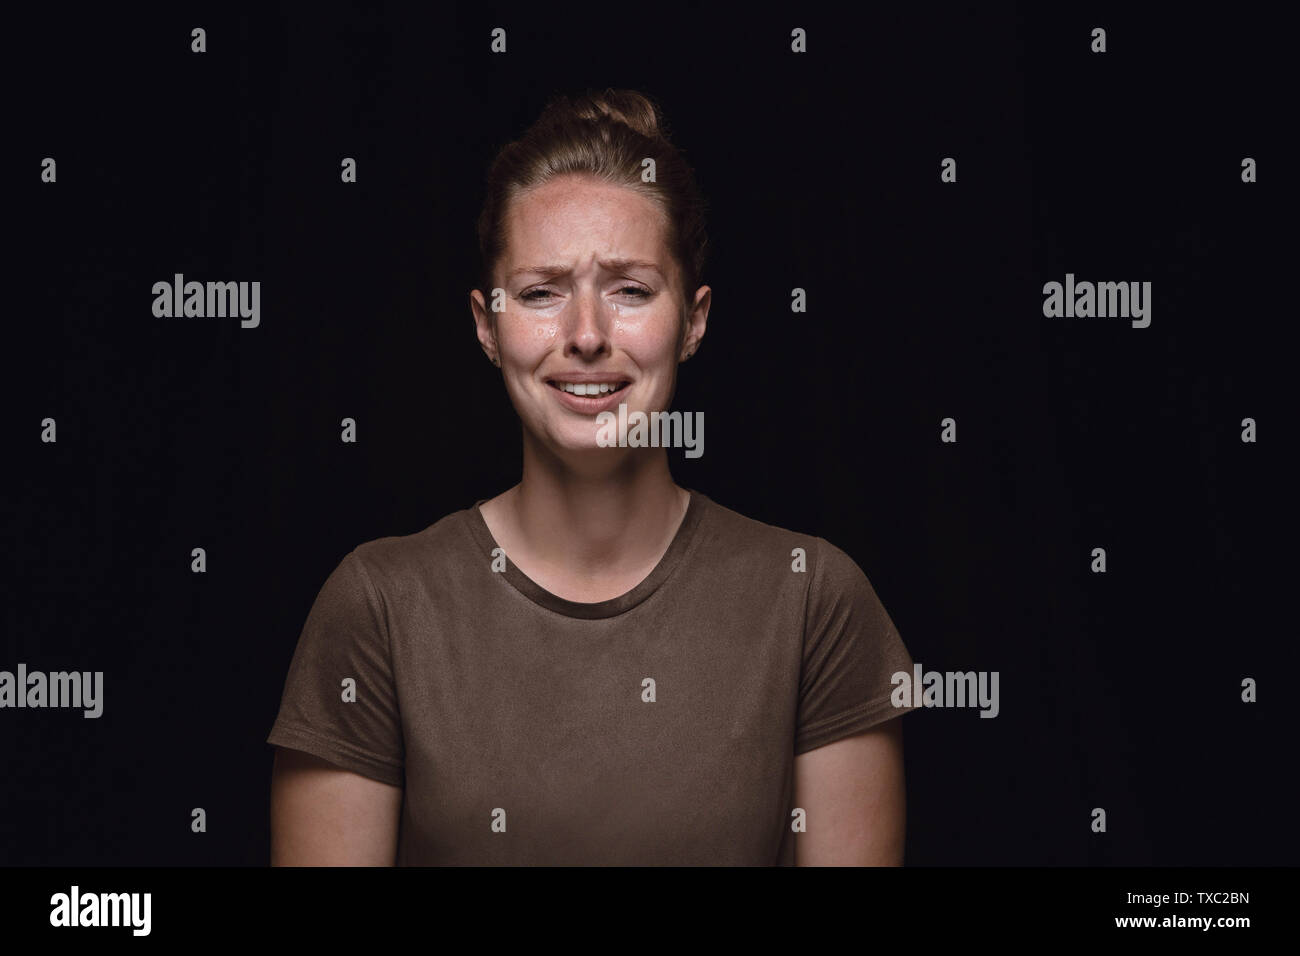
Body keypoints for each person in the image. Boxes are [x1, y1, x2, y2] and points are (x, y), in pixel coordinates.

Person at [267, 88, 918, 865]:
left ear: (695, 319)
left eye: (631, 291)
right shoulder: (378, 605)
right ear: (486, 325)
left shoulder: (812, 599)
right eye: (541, 292)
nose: (585, 336)